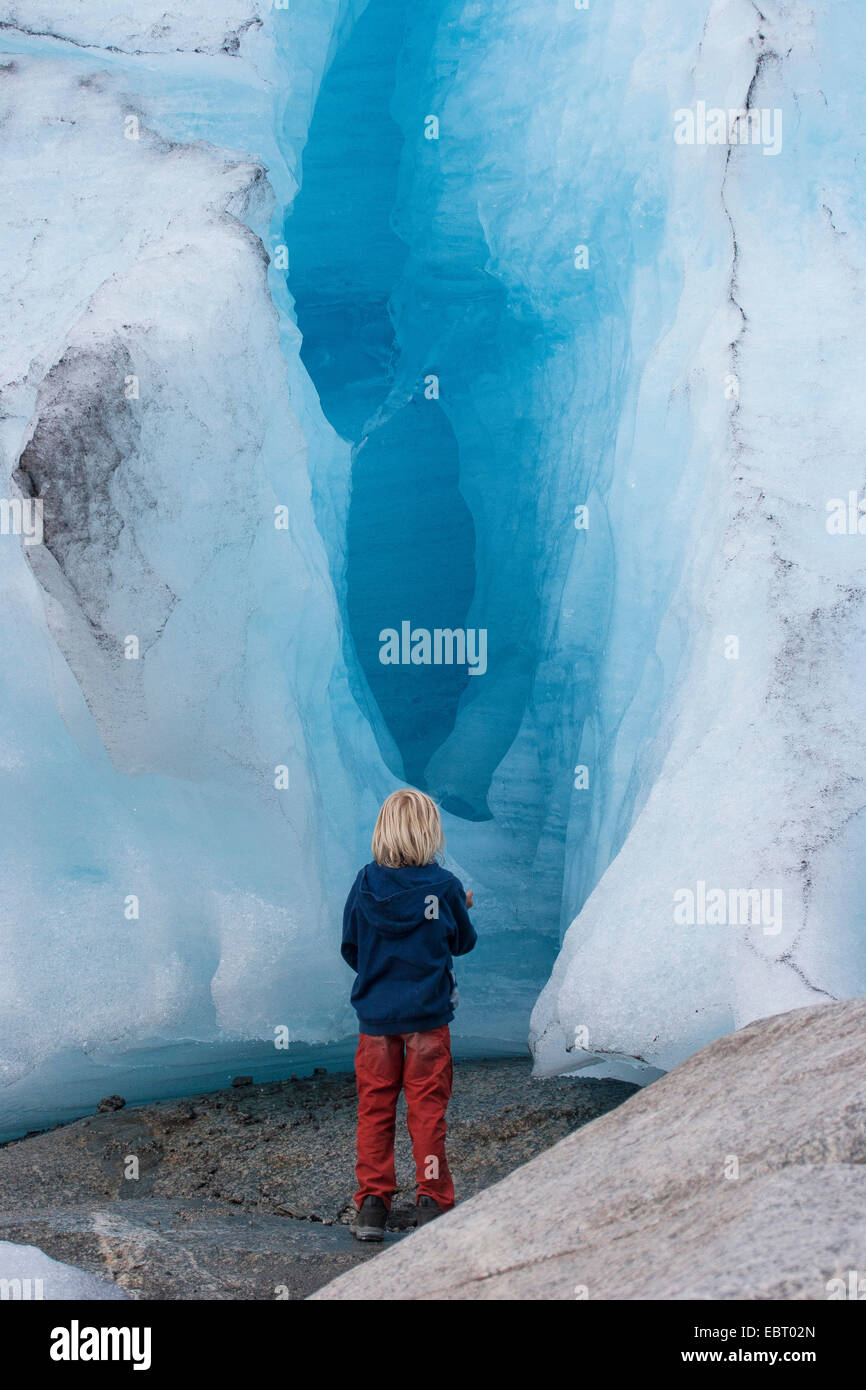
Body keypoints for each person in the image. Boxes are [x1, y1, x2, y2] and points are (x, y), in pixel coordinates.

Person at [341, 787, 477, 1242]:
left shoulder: (364, 884)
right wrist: (462, 907)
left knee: (375, 1110)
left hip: (377, 1025)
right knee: (426, 1110)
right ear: (428, 833)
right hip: (427, 1023)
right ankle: (430, 1201)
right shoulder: (445, 887)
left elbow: (352, 947)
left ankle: (373, 1208)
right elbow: (461, 942)